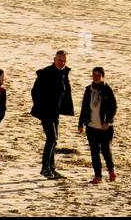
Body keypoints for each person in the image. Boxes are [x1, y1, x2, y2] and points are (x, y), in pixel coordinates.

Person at [30, 50, 73, 179]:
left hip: (55, 112)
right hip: (45, 112)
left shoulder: (64, 73)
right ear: (54, 59)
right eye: (60, 60)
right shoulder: (46, 73)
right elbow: (35, 92)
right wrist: (41, 106)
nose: (62, 63)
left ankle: (51, 168)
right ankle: (45, 168)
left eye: (64, 60)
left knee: (54, 140)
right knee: (52, 138)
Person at [77, 67, 118, 185]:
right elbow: (84, 108)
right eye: (94, 75)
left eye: (98, 75)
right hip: (91, 126)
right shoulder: (88, 90)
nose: (96, 77)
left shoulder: (107, 90)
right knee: (94, 152)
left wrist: (108, 121)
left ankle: (111, 171)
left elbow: (113, 107)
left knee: (106, 150)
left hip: (105, 128)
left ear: (103, 76)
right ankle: (98, 176)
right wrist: (81, 124)